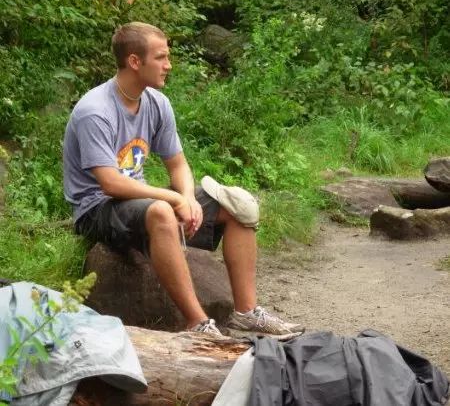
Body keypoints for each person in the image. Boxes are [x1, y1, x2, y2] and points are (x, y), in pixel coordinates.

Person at [63, 22, 304, 336]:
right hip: (98, 209)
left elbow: (178, 165)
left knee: (238, 204)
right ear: (135, 62)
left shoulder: (157, 103)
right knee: (163, 211)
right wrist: (173, 199)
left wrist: (188, 197)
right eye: (161, 57)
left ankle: (246, 313)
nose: (168, 65)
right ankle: (198, 324)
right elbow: (110, 183)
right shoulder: (95, 110)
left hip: (136, 201)